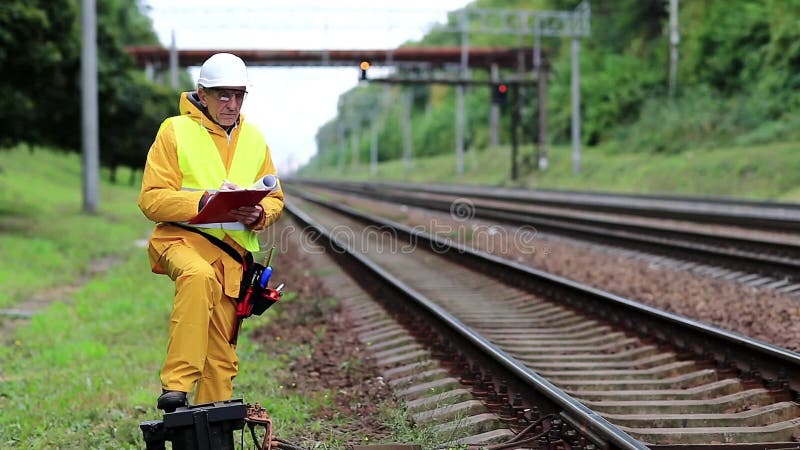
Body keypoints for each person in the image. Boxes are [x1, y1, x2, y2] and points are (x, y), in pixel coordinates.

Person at [138, 52, 284, 412]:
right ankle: (176, 385)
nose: (232, 104)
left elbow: (276, 198)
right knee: (197, 275)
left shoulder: (255, 139)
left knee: (221, 361)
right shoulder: (174, 131)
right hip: (181, 240)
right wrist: (203, 201)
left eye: (239, 95)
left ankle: (212, 430)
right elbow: (152, 200)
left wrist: (259, 213)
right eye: (223, 95)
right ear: (201, 94)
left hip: (232, 261)